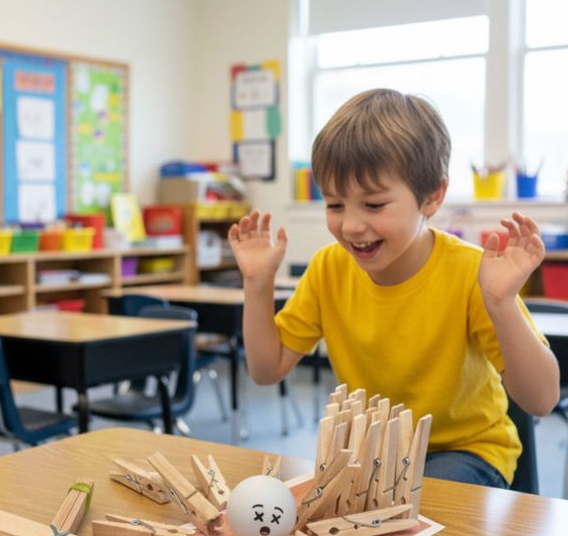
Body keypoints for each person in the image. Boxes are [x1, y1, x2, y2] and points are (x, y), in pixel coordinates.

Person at [228, 88, 559, 488]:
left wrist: (502, 303)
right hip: (373, 455)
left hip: (464, 450)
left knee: (408, 518)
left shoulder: (473, 272)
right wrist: (257, 283)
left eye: (373, 205)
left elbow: (542, 399)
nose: (350, 225)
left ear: (432, 196)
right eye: (335, 205)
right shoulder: (328, 268)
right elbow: (266, 370)